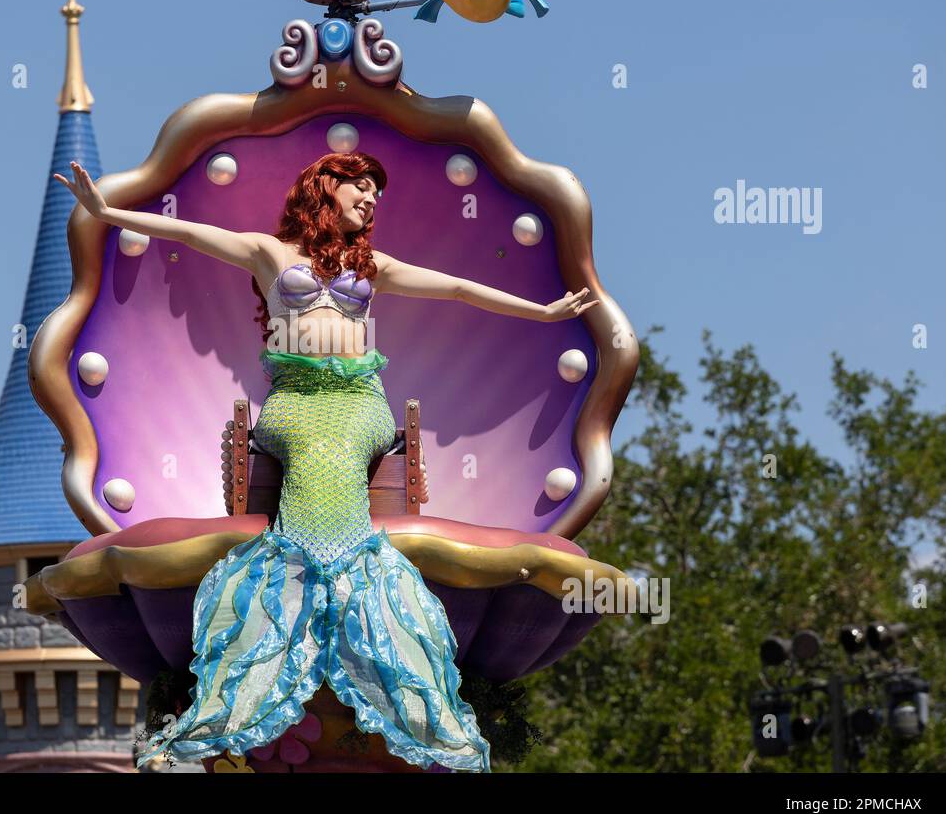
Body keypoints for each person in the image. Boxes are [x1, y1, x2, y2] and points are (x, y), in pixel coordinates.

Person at [54, 151, 598, 772]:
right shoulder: (269, 253)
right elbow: (188, 232)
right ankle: (304, 659)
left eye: (376, 191)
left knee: (327, 481)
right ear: (324, 189)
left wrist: (542, 312)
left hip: (359, 404)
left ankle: (333, 648)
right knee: (317, 475)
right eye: (359, 187)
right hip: (295, 403)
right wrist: (107, 211)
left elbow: (456, 287)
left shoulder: (373, 267)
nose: (371, 200)